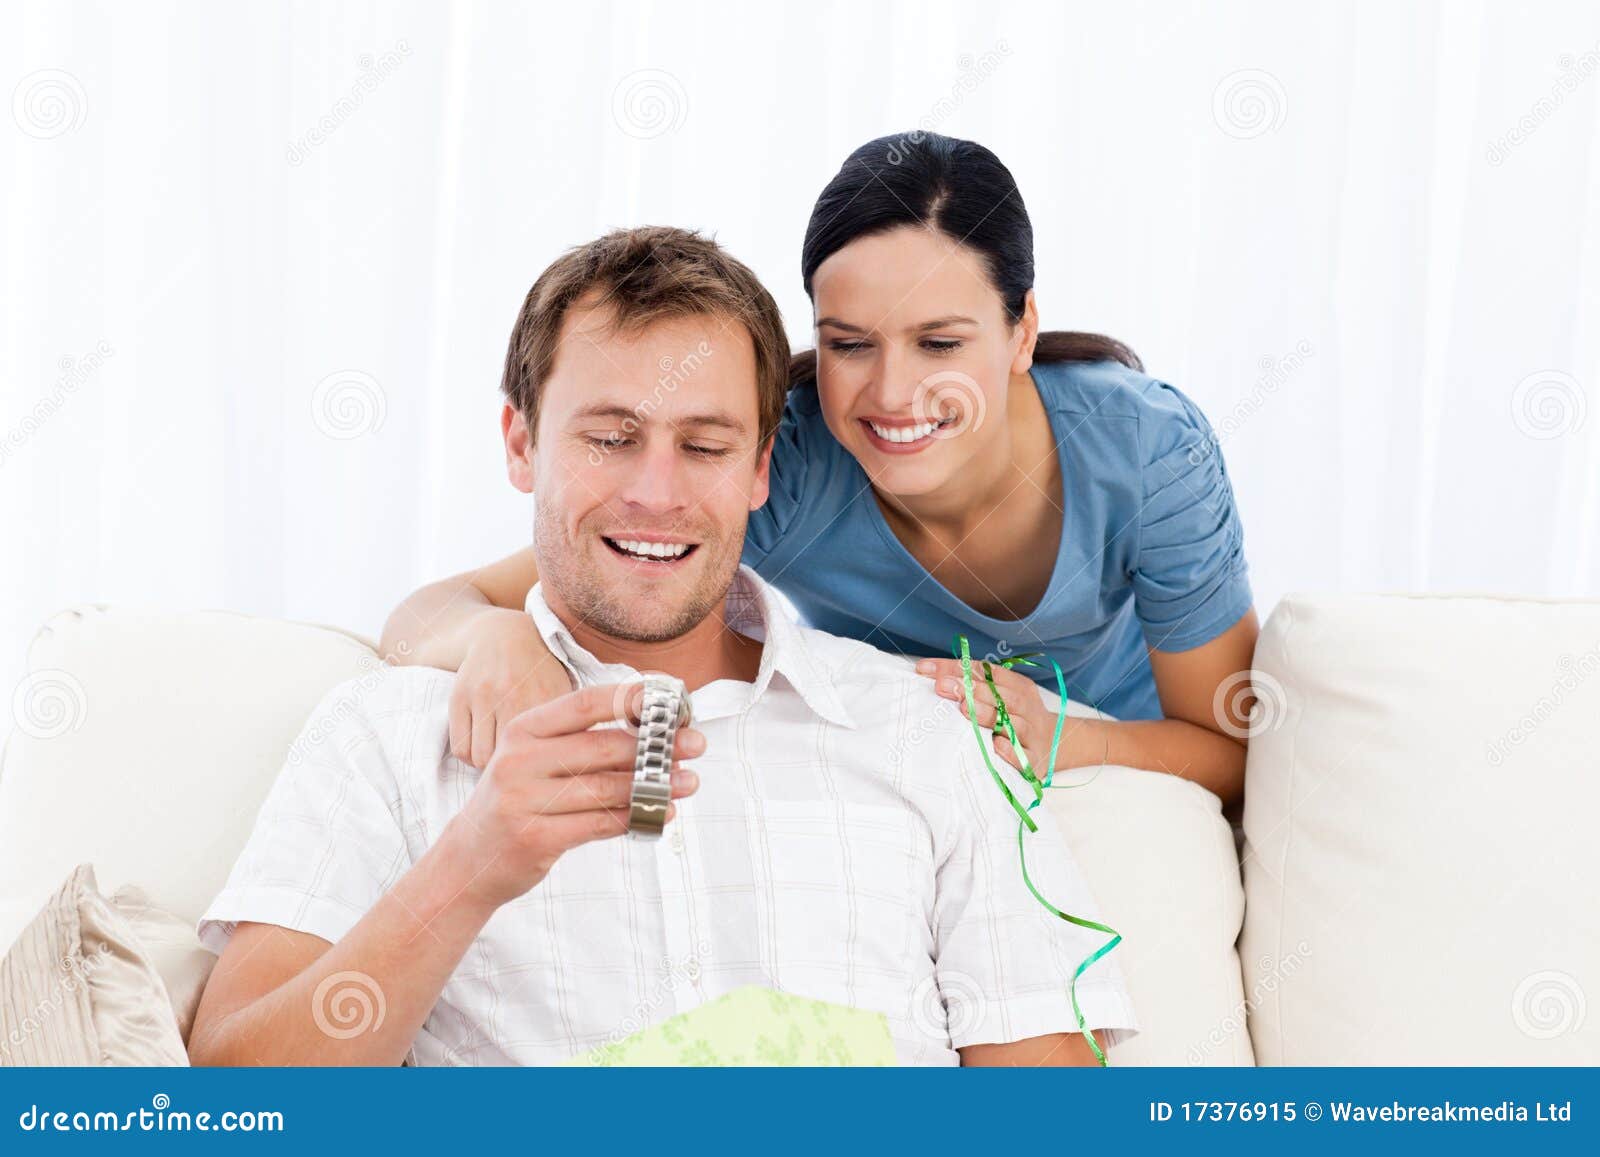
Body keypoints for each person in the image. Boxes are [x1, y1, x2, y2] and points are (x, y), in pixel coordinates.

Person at [187, 226, 1138, 1067]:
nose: (656, 493)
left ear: (761, 469)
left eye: (705, 446)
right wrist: (471, 866)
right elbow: (237, 1102)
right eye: (610, 437)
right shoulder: (387, 734)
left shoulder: (926, 731)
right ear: (520, 443)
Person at [381, 133, 1259, 812]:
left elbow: (1232, 750)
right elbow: (426, 616)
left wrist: (1060, 737)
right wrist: (499, 638)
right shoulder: (784, 465)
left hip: (1124, 772)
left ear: (1021, 329)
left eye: (939, 343)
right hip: (918, 780)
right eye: (849, 345)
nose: (893, 393)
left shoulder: (1147, 454)